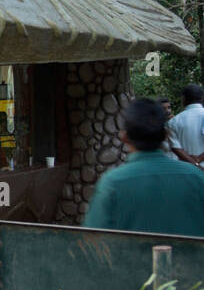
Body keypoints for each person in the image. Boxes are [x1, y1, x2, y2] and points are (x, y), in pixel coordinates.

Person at [83, 98, 204, 236]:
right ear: (166, 136)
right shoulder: (196, 177)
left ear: (124, 137)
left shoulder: (112, 183)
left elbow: (93, 242)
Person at [166, 85, 204, 166]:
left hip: (186, 170)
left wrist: (195, 164)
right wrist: (199, 159)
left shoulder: (173, 122)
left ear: (183, 99)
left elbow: (175, 148)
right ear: (202, 98)